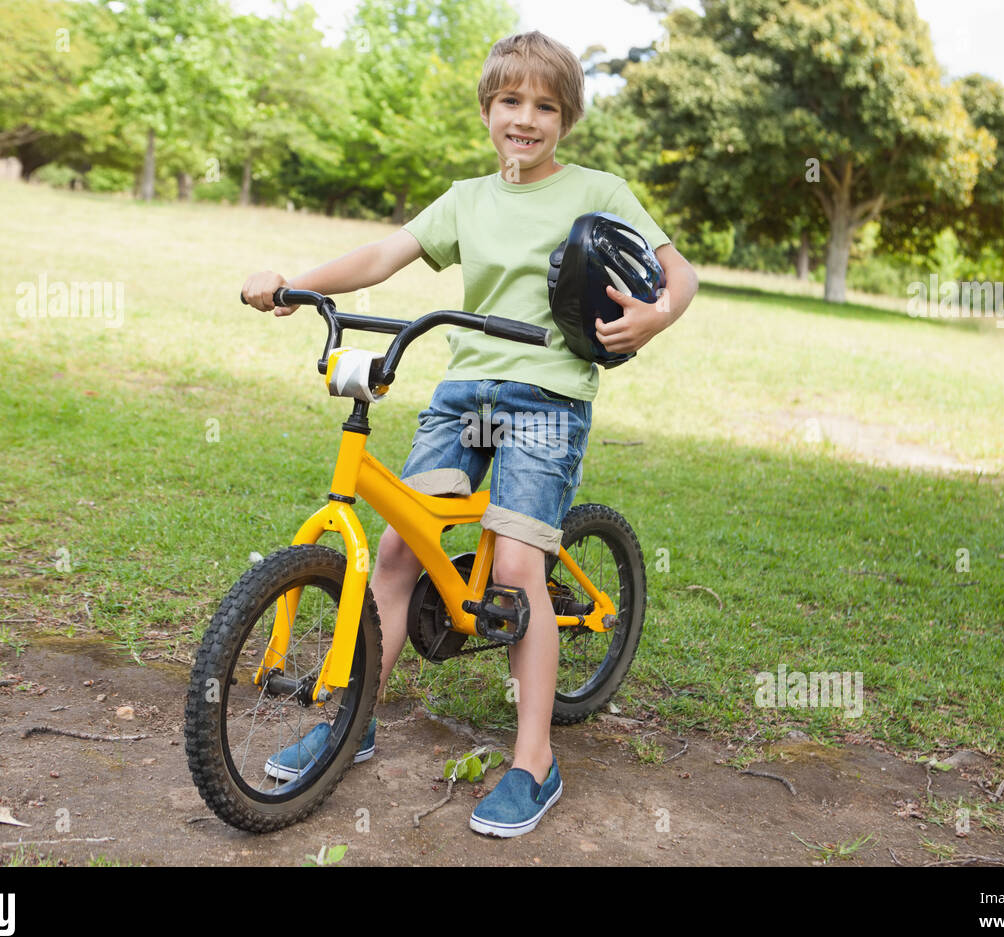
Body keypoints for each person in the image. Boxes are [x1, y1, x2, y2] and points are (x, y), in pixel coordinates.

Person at [241, 30, 698, 838]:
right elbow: (386, 253)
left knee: (517, 565)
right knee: (395, 549)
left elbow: (679, 271)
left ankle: (534, 762)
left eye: (545, 107)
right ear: (488, 109)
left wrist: (656, 318)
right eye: (511, 103)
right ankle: (355, 719)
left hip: (547, 395)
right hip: (464, 394)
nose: (526, 120)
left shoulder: (599, 189)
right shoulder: (466, 198)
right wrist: (291, 284)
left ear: (566, 117)